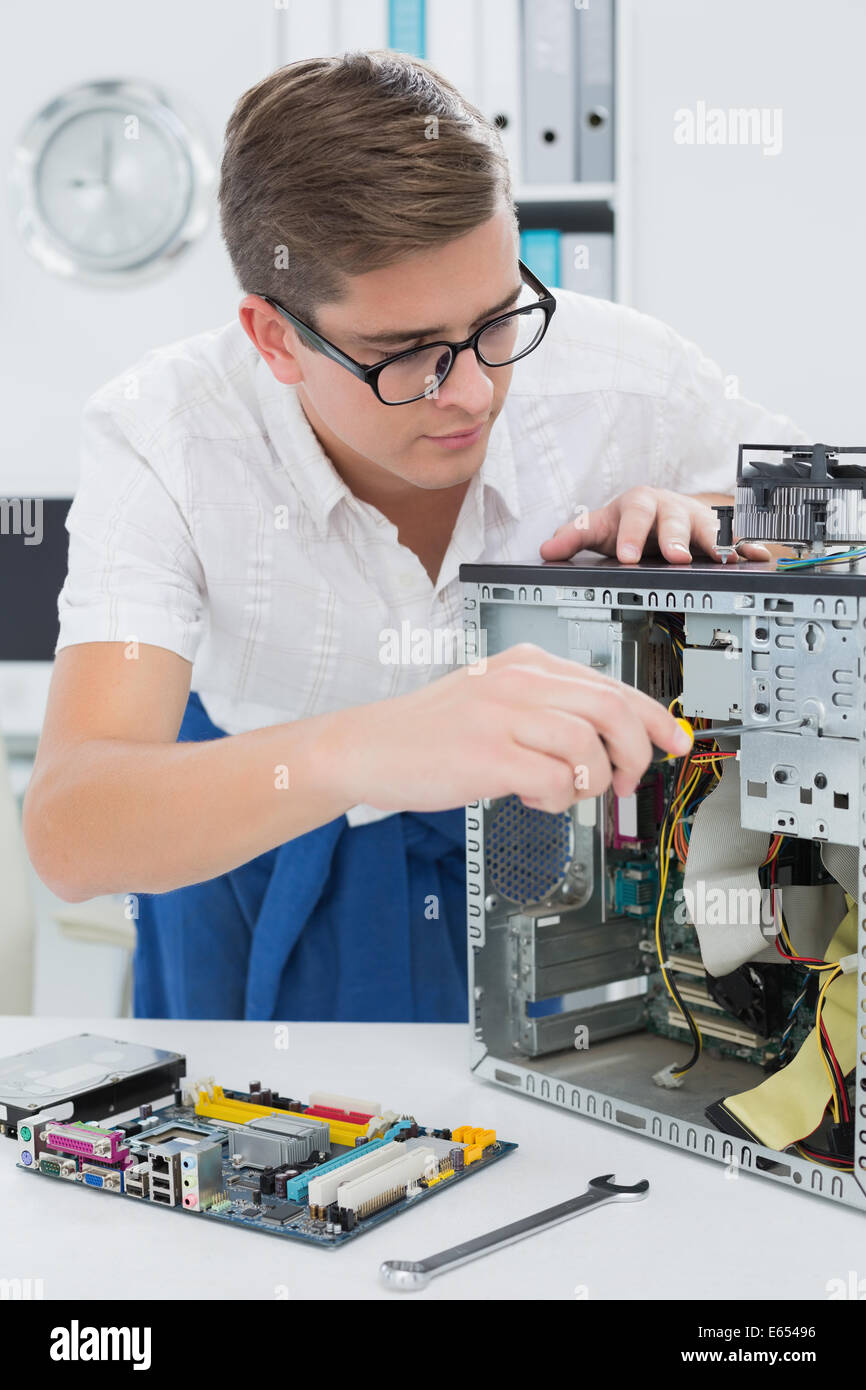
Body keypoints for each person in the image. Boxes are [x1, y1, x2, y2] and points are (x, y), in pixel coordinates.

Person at [23, 51, 805, 1023]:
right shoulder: (164, 433)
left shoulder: (622, 375)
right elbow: (71, 827)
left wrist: (716, 525)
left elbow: (822, 522)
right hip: (252, 855)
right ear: (274, 338)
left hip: (556, 885)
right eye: (407, 356)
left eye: (494, 320)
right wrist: (373, 749)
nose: (472, 392)